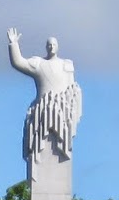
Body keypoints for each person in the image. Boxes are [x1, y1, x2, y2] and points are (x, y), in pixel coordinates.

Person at [7, 28, 82, 163]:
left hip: (62, 114)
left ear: (57, 47)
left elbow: (72, 87)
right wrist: (14, 44)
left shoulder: (66, 64)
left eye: (54, 44)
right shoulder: (39, 64)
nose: (51, 47)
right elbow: (18, 62)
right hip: (41, 113)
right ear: (46, 47)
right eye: (49, 44)